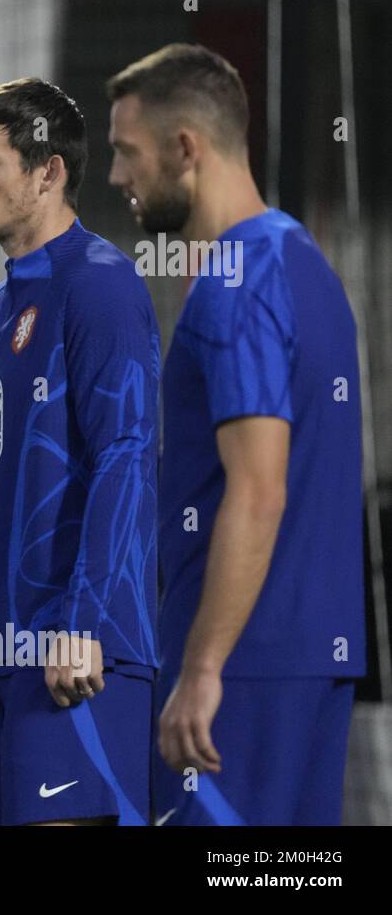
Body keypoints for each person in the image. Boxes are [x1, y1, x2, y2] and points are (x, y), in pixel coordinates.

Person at [105, 43, 364, 825]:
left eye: (126, 152)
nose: (116, 177)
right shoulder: (304, 263)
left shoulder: (231, 283)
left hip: (242, 668)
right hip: (313, 659)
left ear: (187, 148)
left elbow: (257, 490)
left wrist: (204, 664)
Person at [0, 78, 160, 826]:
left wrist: (83, 624)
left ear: (48, 172)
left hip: (78, 659)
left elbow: (127, 458)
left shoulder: (102, 286)